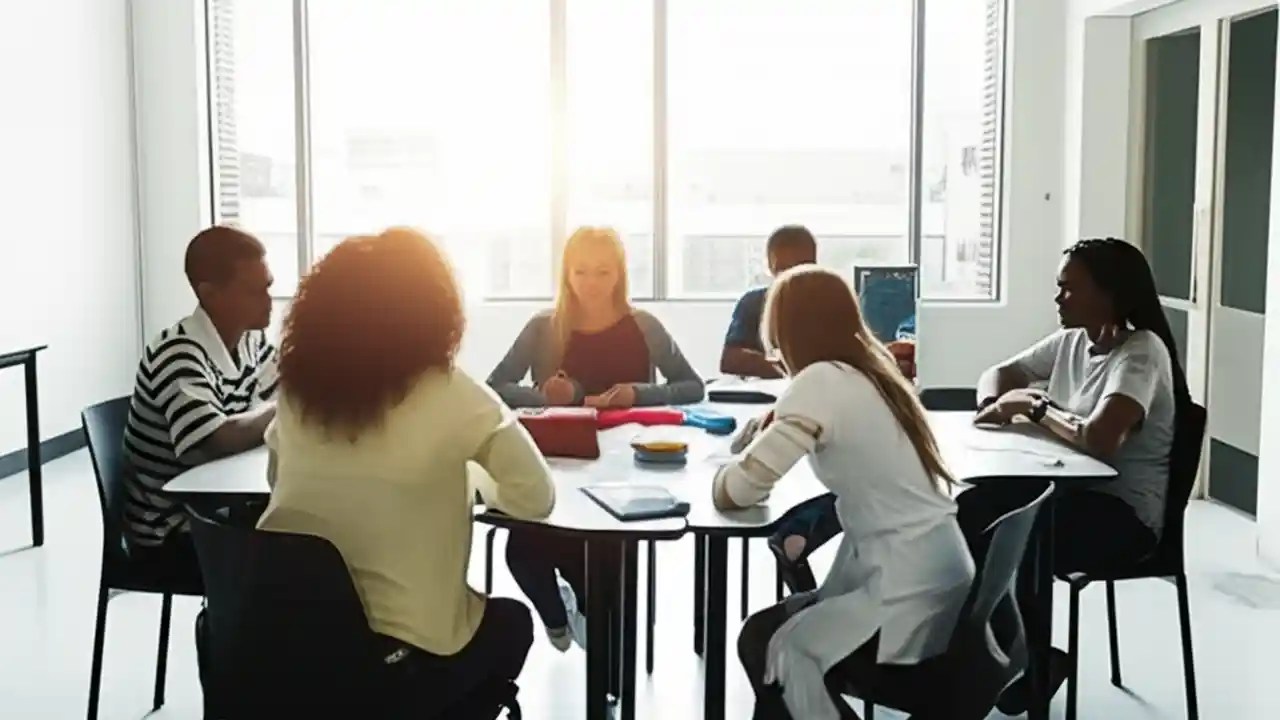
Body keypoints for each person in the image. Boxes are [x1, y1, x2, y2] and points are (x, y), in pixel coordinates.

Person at [257, 228, 555, 718]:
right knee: (513, 623)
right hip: (396, 668)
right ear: (434, 312)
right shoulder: (452, 393)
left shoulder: (295, 394)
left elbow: (277, 483)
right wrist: (470, 483)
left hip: (278, 649)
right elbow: (534, 496)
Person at [723, 266, 975, 720]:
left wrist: (725, 471)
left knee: (779, 653)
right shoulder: (870, 374)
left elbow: (739, 490)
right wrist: (766, 428)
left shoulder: (820, 382)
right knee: (760, 636)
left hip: (904, 591)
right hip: (936, 573)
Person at [973, 237, 1188, 713]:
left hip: (1122, 517)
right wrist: (996, 403)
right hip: (1068, 495)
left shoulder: (1141, 353)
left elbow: (1100, 439)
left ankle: (1031, 658)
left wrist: (1033, 405)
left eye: (1069, 289)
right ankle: (989, 653)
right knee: (966, 513)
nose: (1058, 298)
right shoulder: (1074, 341)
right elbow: (1001, 371)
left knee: (1018, 535)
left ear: (1109, 293)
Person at [487, 226, 703, 650]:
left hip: (623, 468)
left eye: (602, 272)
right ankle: (559, 620)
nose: (590, 283)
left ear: (619, 273)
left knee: (601, 569)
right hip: (558, 462)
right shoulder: (543, 326)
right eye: (580, 272)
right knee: (523, 552)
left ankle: (597, 639)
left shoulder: (644, 326)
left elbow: (693, 387)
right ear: (565, 274)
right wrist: (543, 395)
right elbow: (496, 385)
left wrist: (638, 393)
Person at [122, 225, 278, 572]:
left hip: (217, 507)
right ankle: (224, 627)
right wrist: (284, 408)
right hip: (169, 529)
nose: (269, 301)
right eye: (254, 291)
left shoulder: (250, 342)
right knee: (300, 553)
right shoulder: (178, 352)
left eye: (268, 286)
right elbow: (215, 440)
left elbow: (289, 391)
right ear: (210, 294)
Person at [720, 225, 818, 378]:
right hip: (767, 394)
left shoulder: (832, 303)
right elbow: (730, 360)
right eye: (783, 269)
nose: (790, 277)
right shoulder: (754, 303)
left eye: (799, 268)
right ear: (771, 267)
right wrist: (783, 367)